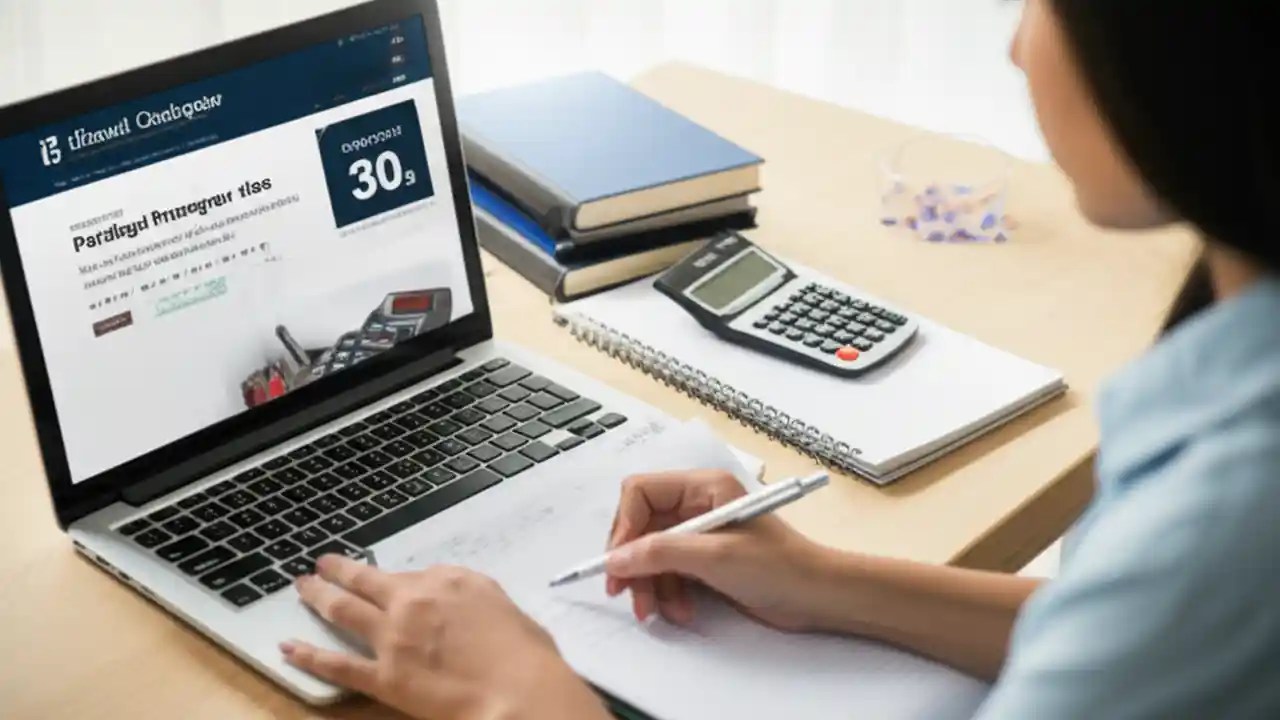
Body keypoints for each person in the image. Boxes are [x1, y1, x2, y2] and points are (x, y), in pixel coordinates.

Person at [278, 1, 1280, 717]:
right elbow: (1121, 627)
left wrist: (517, 696)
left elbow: (1173, 599)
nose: (1019, 48)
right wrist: (824, 581)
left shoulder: (1233, 516)